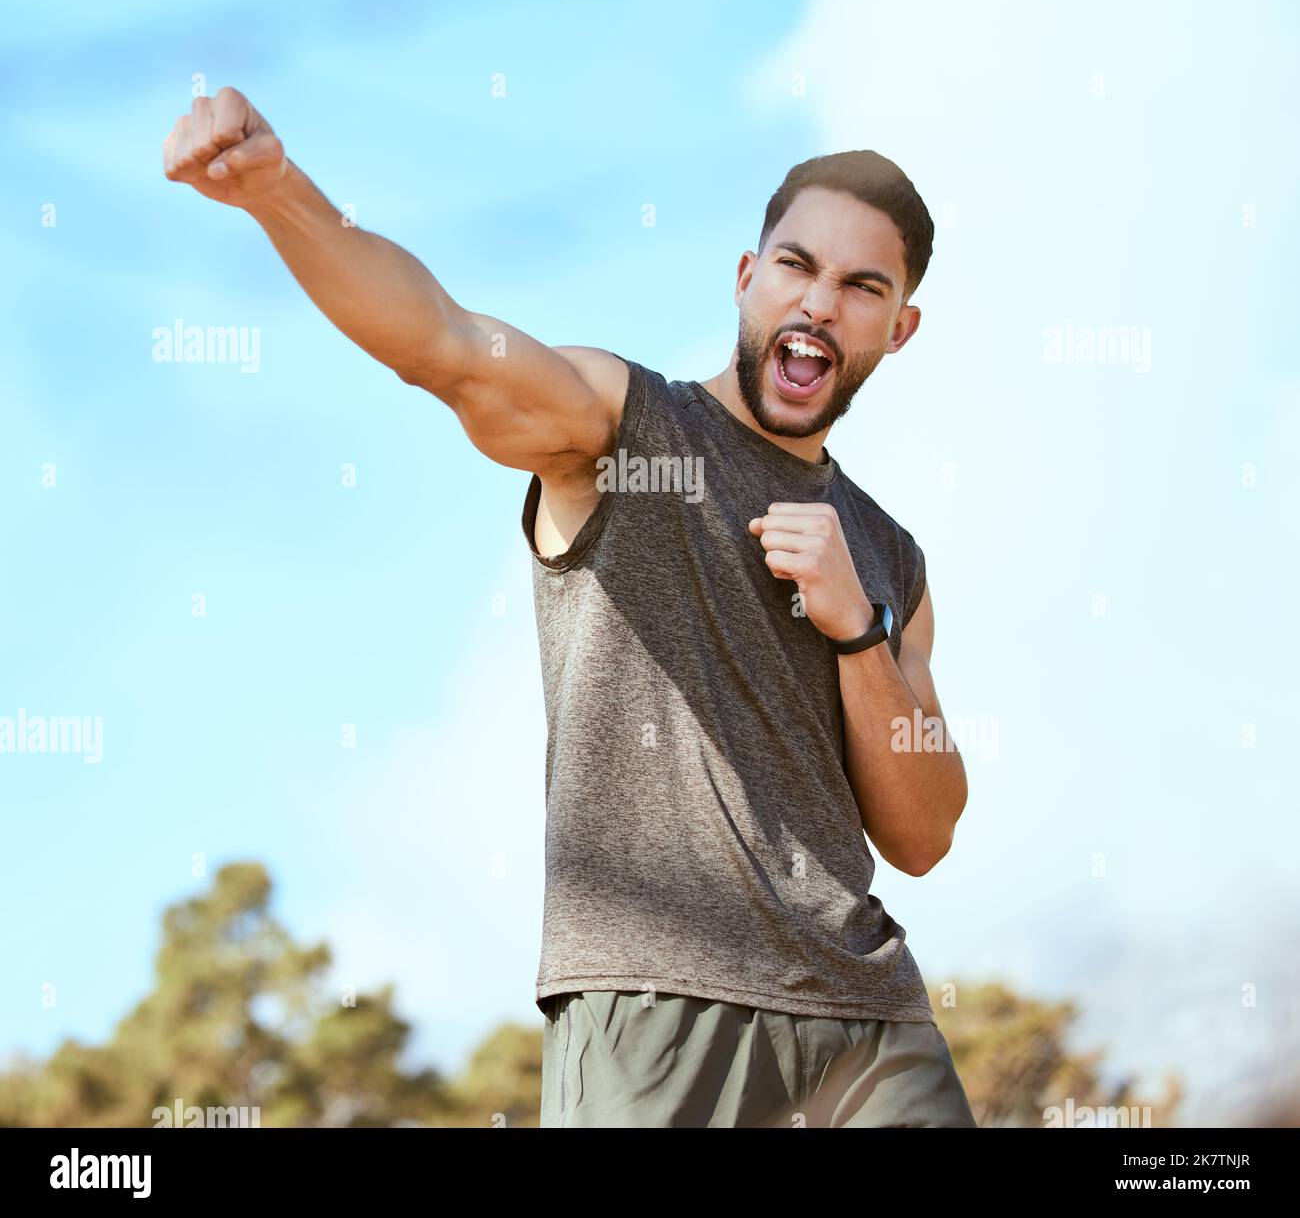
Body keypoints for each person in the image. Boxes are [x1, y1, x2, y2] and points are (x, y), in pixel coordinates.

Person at [163, 90, 977, 1128]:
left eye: (862, 287)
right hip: (656, 1006)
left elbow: (924, 829)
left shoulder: (889, 557)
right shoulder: (624, 427)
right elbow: (444, 344)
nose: (819, 303)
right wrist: (278, 191)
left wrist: (855, 627)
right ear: (748, 276)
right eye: (796, 266)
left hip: (870, 1022)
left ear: (898, 327)